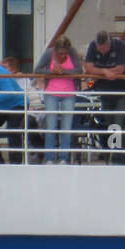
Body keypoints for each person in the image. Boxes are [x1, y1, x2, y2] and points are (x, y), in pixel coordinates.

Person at [84, 29, 125, 163]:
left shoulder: (119, 45)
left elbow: (120, 69)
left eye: (104, 48)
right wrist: (105, 71)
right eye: (100, 48)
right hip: (105, 91)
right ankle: (113, 154)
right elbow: (88, 68)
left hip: (123, 90)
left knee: (119, 122)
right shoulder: (93, 46)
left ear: (109, 43)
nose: (102, 51)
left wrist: (97, 72)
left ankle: (120, 157)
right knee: (110, 124)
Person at [34, 35, 82, 164]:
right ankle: (49, 158)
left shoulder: (73, 53)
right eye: (60, 53)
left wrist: (64, 71)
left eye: (65, 53)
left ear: (68, 50)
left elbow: (79, 70)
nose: (62, 56)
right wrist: (52, 72)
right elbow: (37, 69)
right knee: (51, 126)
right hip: (51, 92)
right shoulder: (49, 53)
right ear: (55, 50)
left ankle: (63, 158)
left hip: (69, 93)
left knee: (66, 127)